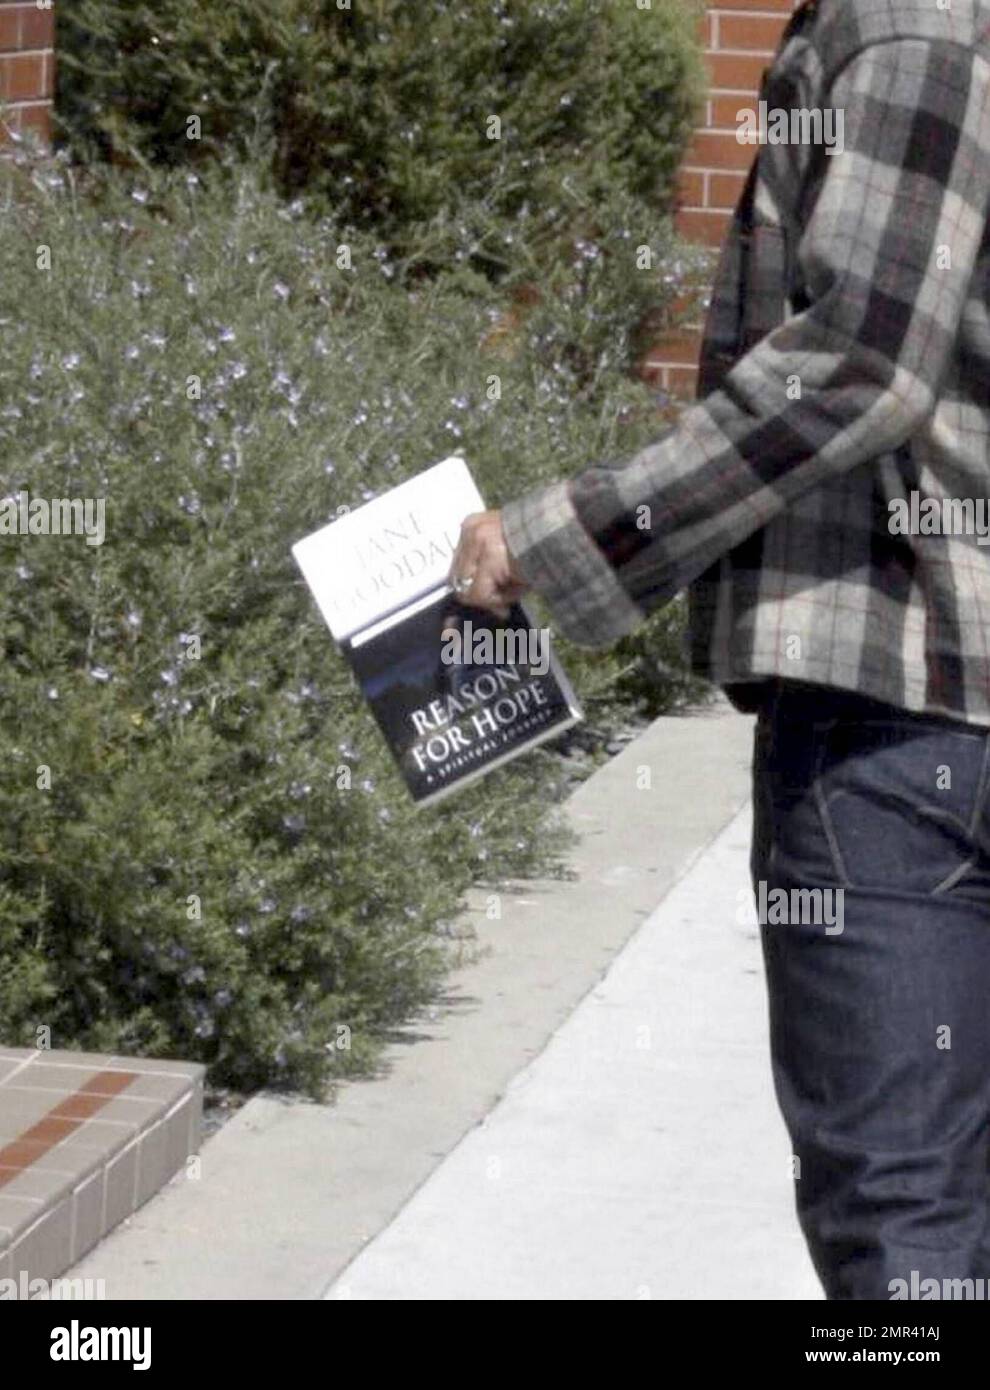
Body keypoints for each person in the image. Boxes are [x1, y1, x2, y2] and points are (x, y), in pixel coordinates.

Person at [448, 0, 990, 1301]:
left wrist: (574, 537)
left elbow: (858, 358)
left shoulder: (911, 24)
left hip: (900, 709)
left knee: (903, 1234)